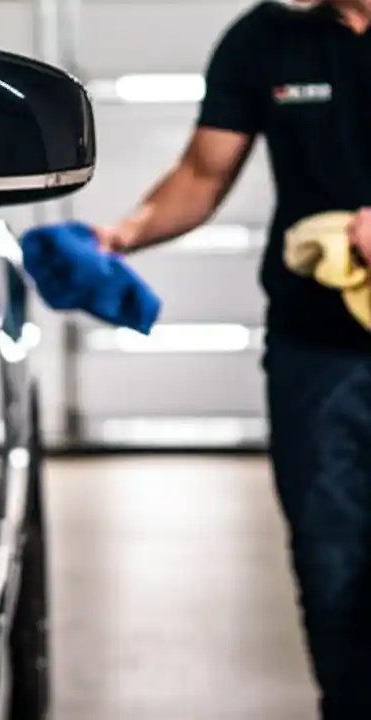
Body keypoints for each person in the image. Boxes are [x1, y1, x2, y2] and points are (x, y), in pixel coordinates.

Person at [95, 1, 371, 716]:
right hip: (318, 354)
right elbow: (202, 174)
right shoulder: (263, 39)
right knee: (330, 563)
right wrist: (123, 235)